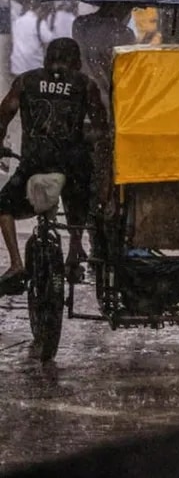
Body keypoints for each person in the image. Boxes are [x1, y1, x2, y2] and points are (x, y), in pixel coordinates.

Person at [0, 38, 107, 292]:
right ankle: (74, 251)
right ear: (77, 61)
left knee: (3, 204)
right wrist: (87, 136)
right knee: (80, 198)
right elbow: (101, 128)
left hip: (34, 164)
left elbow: (4, 114)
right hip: (72, 165)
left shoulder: (26, 81)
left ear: (47, 59)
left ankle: (16, 263)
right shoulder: (84, 85)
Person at [72, 2, 137, 112]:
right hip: (107, 100)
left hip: (78, 95)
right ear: (123, 8)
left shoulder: (80, 23)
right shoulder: (123, 33)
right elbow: (126, 72)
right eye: (130, 9)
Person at [10, 0, 74, 77]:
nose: (45, 15)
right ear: (40, 9)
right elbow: (51, 41)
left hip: (17, 66)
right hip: (33, 67)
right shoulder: (39, 23)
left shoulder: (18, 21)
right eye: (45, 12)